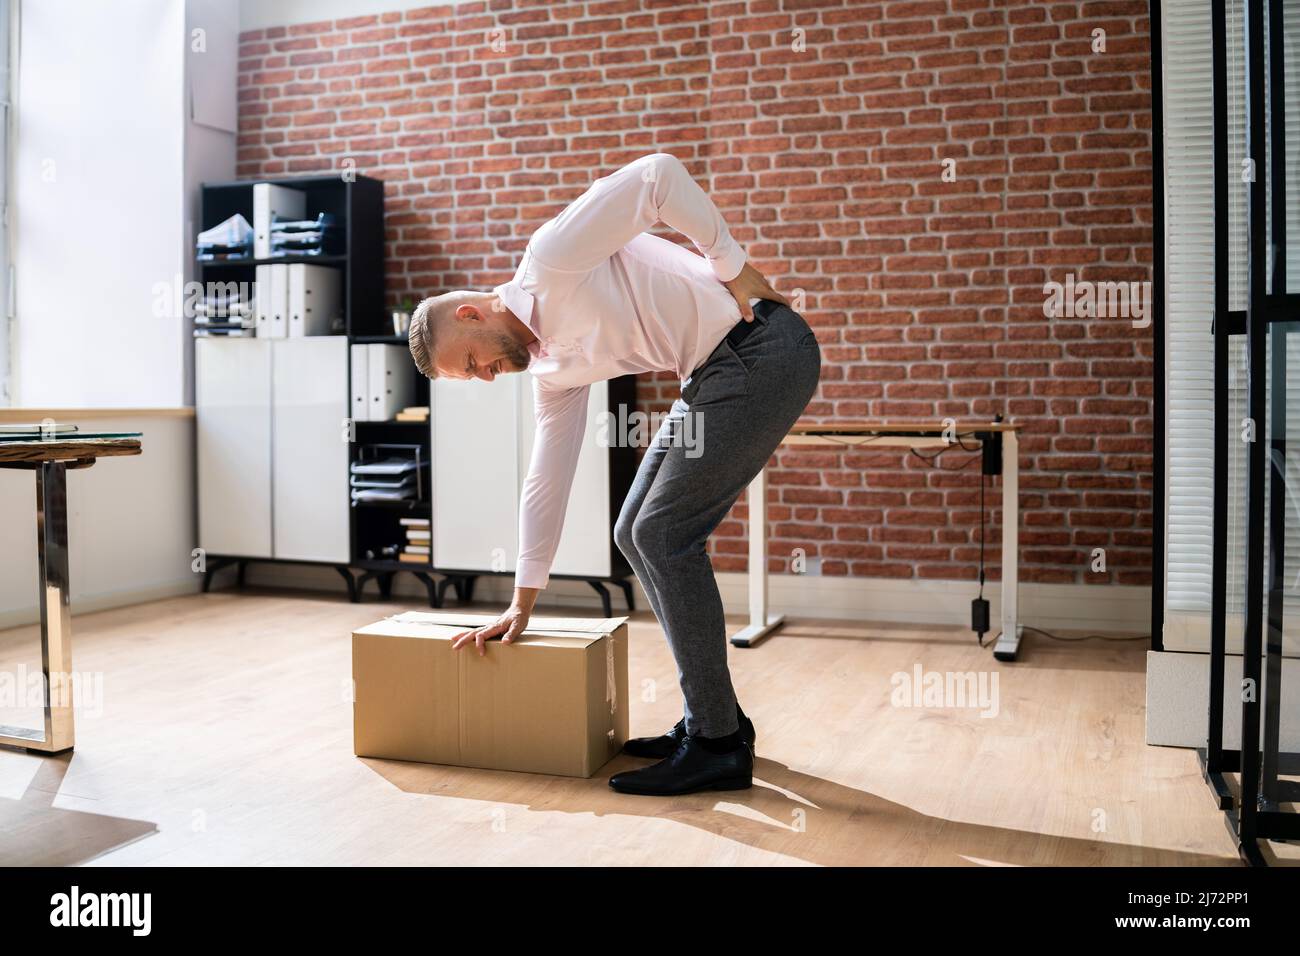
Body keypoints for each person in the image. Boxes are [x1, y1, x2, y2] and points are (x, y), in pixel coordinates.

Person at [407, 153, 821, 795]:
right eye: (474, 380)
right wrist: (523, 600)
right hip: (711, 375)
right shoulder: (551, 373)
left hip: (758, 349)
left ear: (471, 315)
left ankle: (716, 745)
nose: (488, 377)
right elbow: (547, 477)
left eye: (474, 362)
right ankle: (716, 722)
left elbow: (658, 176)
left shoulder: (550, 261)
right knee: (635, 532)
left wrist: (733, 266)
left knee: (662, 534)